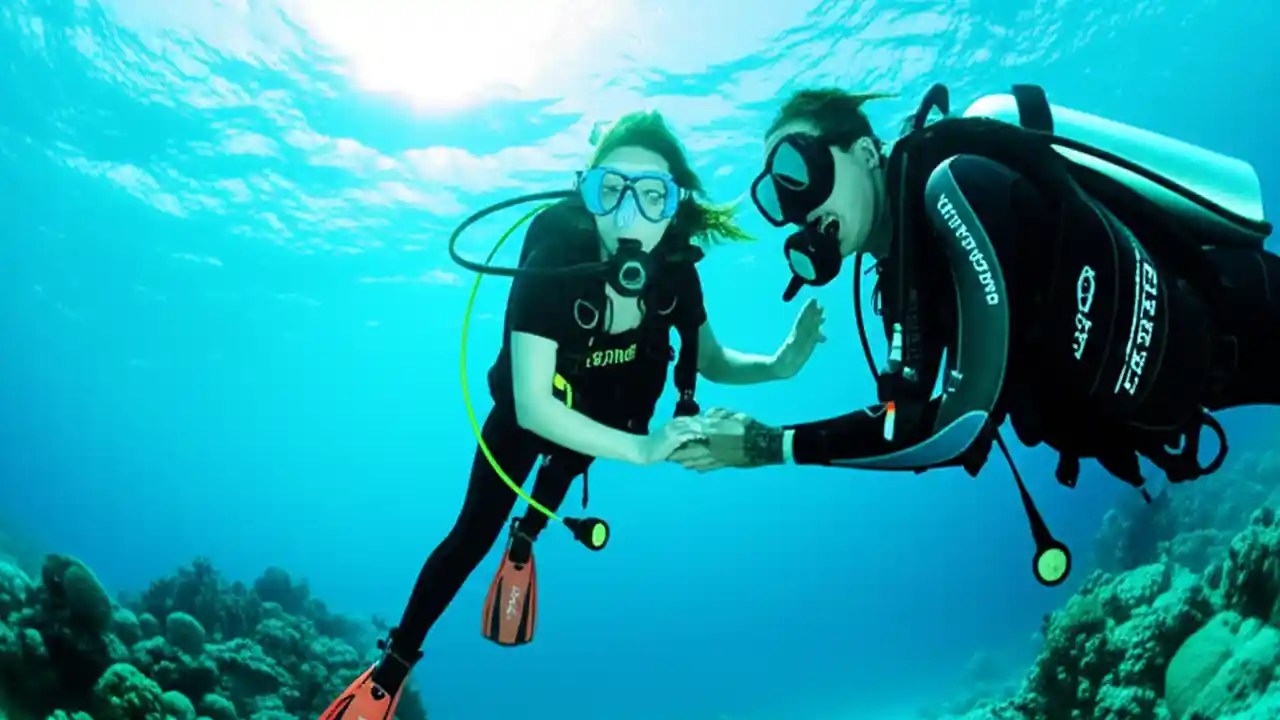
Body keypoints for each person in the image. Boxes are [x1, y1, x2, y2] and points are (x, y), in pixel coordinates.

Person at [320, 110, 827, 720]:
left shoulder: (675, 272)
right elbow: (534, 405)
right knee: (469, 536)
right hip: (529, 417)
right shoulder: (554, 252)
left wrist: (778, 363)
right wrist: (643, 449)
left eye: (653, 195)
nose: (629, 214)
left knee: (564, 469)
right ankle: (390, 671)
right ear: (587, 191)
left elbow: (710, 358)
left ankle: (528, 538)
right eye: (610, 190)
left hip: (605, 421)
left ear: (674, 203)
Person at [672, 82, 1277, 586]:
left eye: (798, 168)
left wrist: (767, 445)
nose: (798, 206)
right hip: (1198, 374)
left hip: (1239, 309)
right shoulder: (906, 271)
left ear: (862, 153)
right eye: (778, 195)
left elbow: (956, 430)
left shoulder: (951, 186)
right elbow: (907, 419)